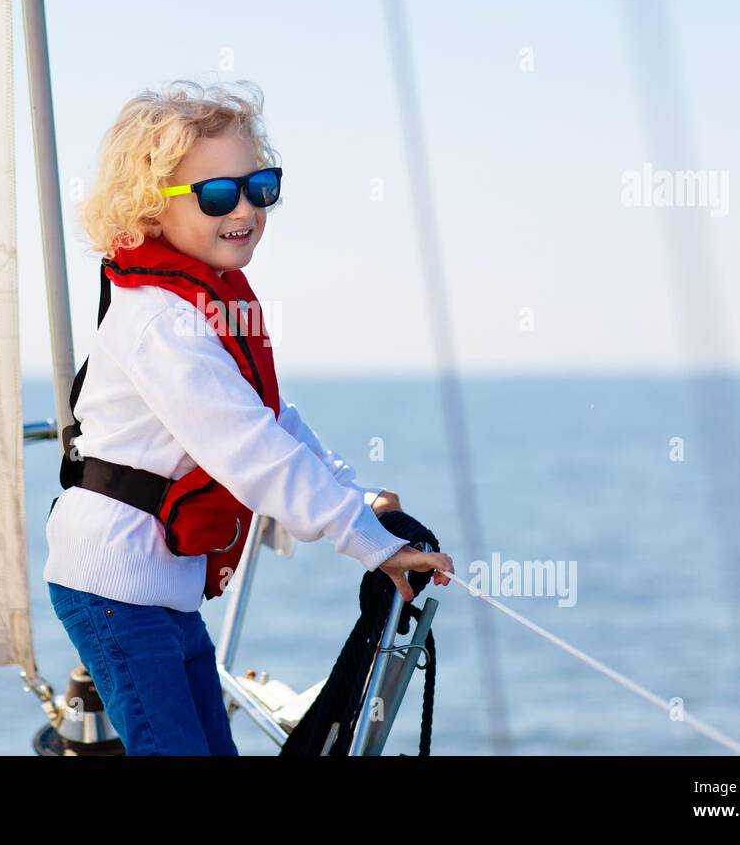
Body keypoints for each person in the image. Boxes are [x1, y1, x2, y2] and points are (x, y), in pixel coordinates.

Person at [43, 79, 454, 756]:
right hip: (115, 588)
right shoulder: (160, 322)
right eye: (215, 195)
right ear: (150, 208)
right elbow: (249, 450)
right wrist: (369, 542)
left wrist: (356, 499)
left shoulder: (205, 302)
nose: (245, 208)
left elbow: (270, 420)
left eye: (259, 185)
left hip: (161, 591)